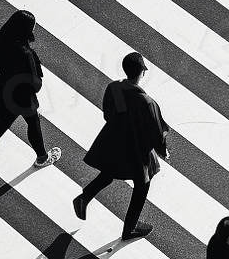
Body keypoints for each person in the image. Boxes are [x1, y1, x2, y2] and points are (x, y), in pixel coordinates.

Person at [72, 52, 169, 240]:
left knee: (109, 173)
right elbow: (155, 131)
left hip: (114, 141)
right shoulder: (146, 102)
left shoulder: (114, 88)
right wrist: (163, 150)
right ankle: (129, 228)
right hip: (135, 147)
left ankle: (84, 198)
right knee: (142, 185)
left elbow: (109, 114)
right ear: (141, 72)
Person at [0, 10, 60, 183]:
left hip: (4, 90)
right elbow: (36, 83)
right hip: (22, 97)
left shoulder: (2, 39)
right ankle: (41, 158)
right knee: (31, 122)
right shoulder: (26, 53)